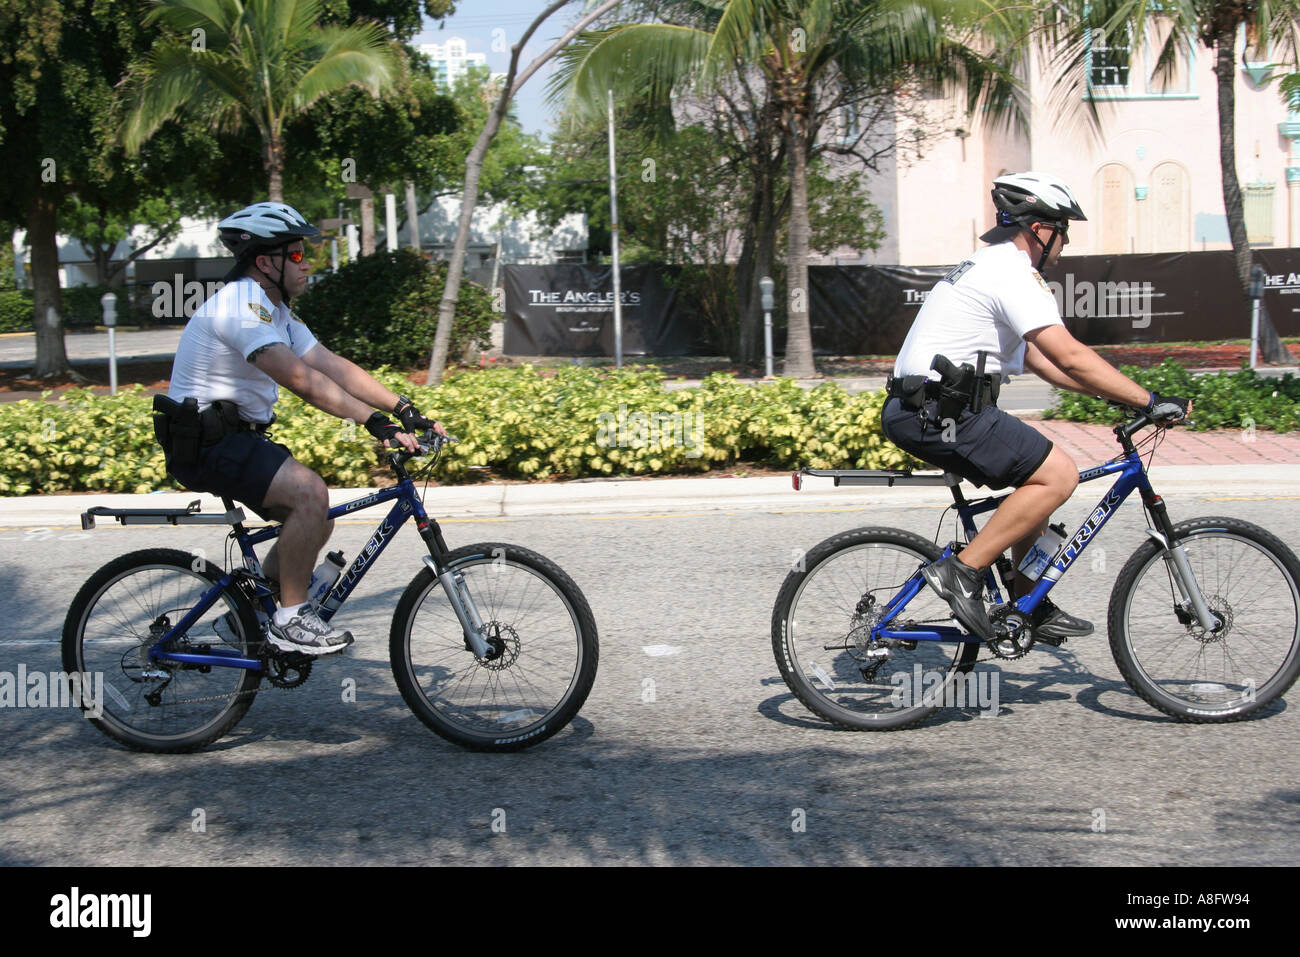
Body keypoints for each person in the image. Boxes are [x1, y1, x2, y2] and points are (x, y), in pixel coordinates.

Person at [880, 172, 1189, 644]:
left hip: (932, 407)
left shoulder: (990, 264)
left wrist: (1113, 395)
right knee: (1057, 476)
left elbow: (1043, 361)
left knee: (1037, 477)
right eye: (1063, 230)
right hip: (940, 411)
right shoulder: (1012, 272)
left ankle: (1028, 604)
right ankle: (961, 572)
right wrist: (1148, 400)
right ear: (1040, 229)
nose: (1065, 243)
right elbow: (1070, 354)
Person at [153, 201, 444, 656]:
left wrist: (404, 408)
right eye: (295, 255)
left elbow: (331, 365)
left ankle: (248, 615)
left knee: (313, 519)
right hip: (208, 442)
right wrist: (373, 422)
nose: (306, 263)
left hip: (234, 437)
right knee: (309, 494)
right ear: (265, 262)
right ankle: (290, 619)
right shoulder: (239, 307)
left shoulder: (275, 311)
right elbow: (300, 379)